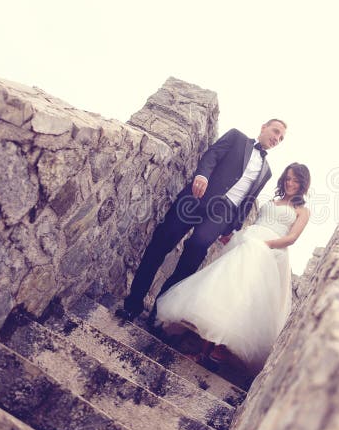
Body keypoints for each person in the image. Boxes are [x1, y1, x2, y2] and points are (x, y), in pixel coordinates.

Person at [116, 119, 288, 323]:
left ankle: (160, 314)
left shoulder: (266, 171)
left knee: (195, 251)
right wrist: (202, 176)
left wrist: (233, 227)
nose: (277, 138)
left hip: (222, 213)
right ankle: (132, 304)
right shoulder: (236, 137)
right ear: (263, 127)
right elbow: (212, 155)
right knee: (160, 244)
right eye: (275, 131)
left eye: (281, 138)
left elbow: (248, 199)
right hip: (198, 196)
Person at [154, 163, 311, 374]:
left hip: (270, 251)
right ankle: (205, 348)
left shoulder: (302, 211)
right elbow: (257, 222)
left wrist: (264, 245)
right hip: (247, 241)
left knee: (246, 296)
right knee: (229, 289)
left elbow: (291, 238)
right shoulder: (272, 201)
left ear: (303, 184)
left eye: (296, 180)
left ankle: (218, 351)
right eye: (288, 178)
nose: (290, 183)